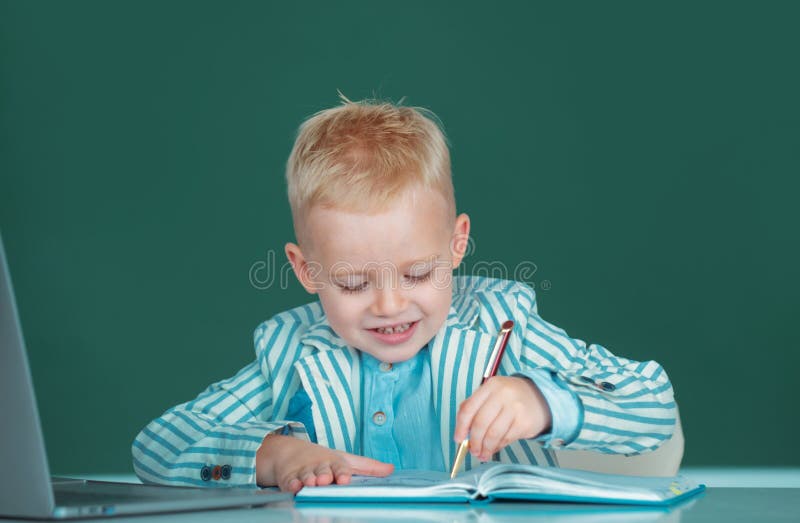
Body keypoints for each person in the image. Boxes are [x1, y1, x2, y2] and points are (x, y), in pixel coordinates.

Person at [132, 95, 676, 493]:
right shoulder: (293, 354)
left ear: (457, 243)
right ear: (306, 270)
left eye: (417, 274)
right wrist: (274, 455)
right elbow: (158, 445)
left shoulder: (504, 330)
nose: (390, 306)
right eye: (351, 283)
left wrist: (542, 401)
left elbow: (653, 406)